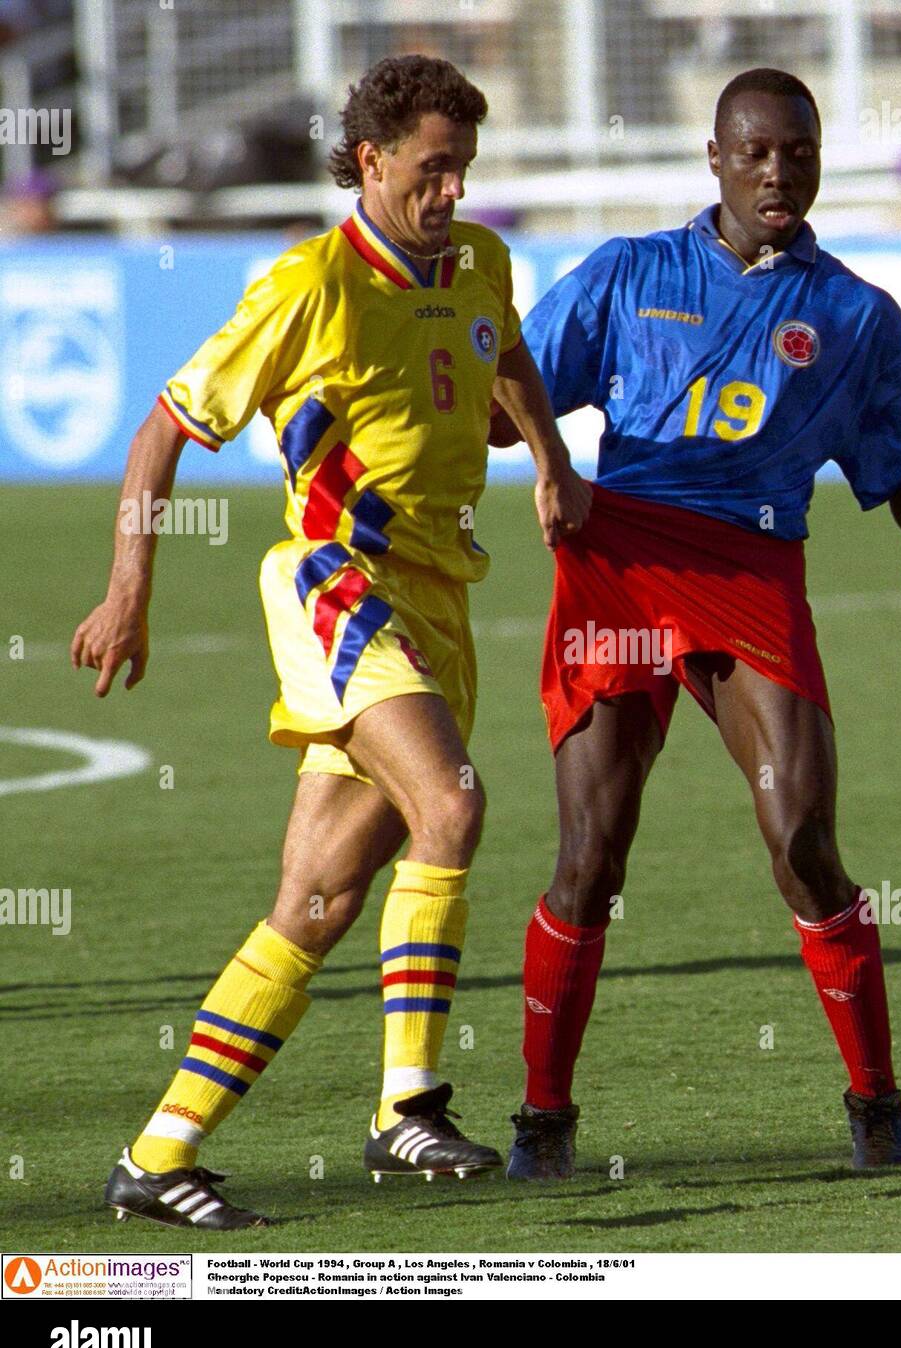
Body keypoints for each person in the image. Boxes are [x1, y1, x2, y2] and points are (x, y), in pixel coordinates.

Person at [72, 54, 590, 1228]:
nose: (452, 189)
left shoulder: (480, 263)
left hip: (442, 600)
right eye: (431, 168)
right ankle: (408, 1101)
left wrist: (550, 458)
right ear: (370, 161)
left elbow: (504, 352)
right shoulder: (309, 286)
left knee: (316, 902)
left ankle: (158, 1155)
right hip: (336, 586)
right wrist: (128, 591)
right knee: (452, 807)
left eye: (463, 167)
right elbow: (165, 427)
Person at [490, 67, 901, 1179]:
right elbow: (511, 384)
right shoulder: (627, 273)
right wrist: (515, 444)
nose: (776, 172)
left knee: (802, 839)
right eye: (754, 152)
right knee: (588, 860)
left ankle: (876, 1101)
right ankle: (544, 1119)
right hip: (619, 564)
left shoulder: (853, 315)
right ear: (714, 157)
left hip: (752, 574)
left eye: (796, 152)